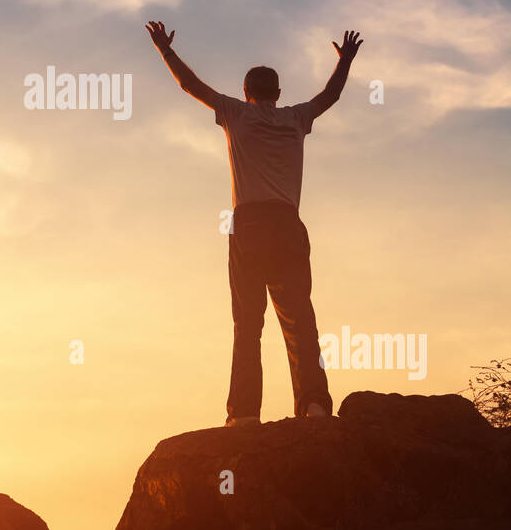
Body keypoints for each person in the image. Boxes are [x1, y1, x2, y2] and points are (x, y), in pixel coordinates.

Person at [145, 21, 364, 425]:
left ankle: (244, 415)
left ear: (247, 93)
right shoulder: (297, 118)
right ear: (278, 95)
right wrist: (346, 59)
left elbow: (190, 86)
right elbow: (330, 96)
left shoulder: (234, 113)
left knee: (247, 323)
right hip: (287, 224)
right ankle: (314, 406)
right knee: (301, 319)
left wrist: (165, 49)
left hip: (248, 225)